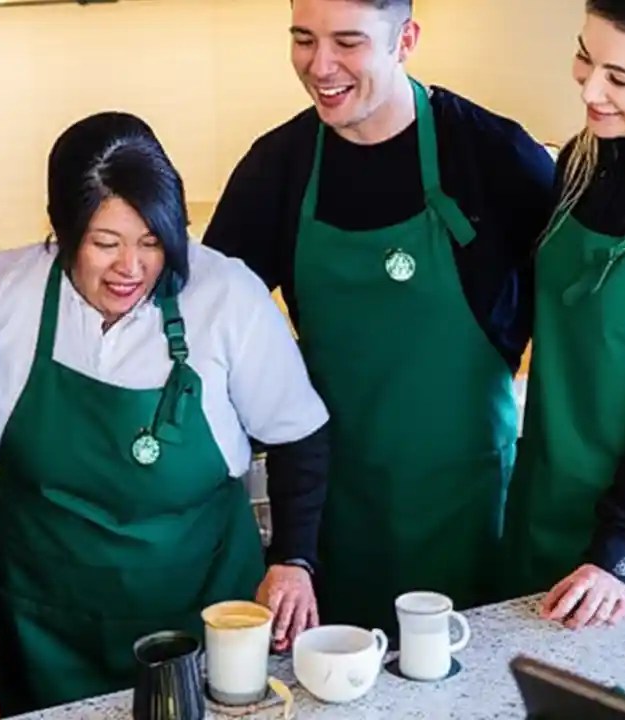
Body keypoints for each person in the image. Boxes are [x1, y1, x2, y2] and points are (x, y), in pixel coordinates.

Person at [0, 111, 331, 715]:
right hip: (41, 617)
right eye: (105, 243)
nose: (131, 267)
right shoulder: (4, 292)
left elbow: (298, 438)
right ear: (61, 229)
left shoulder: (226, 295)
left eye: (153, 241)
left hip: (198, 612)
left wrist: (293, 560)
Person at [202, 0, 557, 634]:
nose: (320, 65)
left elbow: (570, 314)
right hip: (334, 511)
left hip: (470, 505)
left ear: (406, 39)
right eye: (303, 40)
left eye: (347, 42)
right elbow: (210, 329)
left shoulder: (494, 156)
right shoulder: (277, 167)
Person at [502, 0, 625, 628]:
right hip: (545, 507)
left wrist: (620, 549)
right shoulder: (580, 165)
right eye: (586, 57)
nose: (590, 88)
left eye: (619, 78)